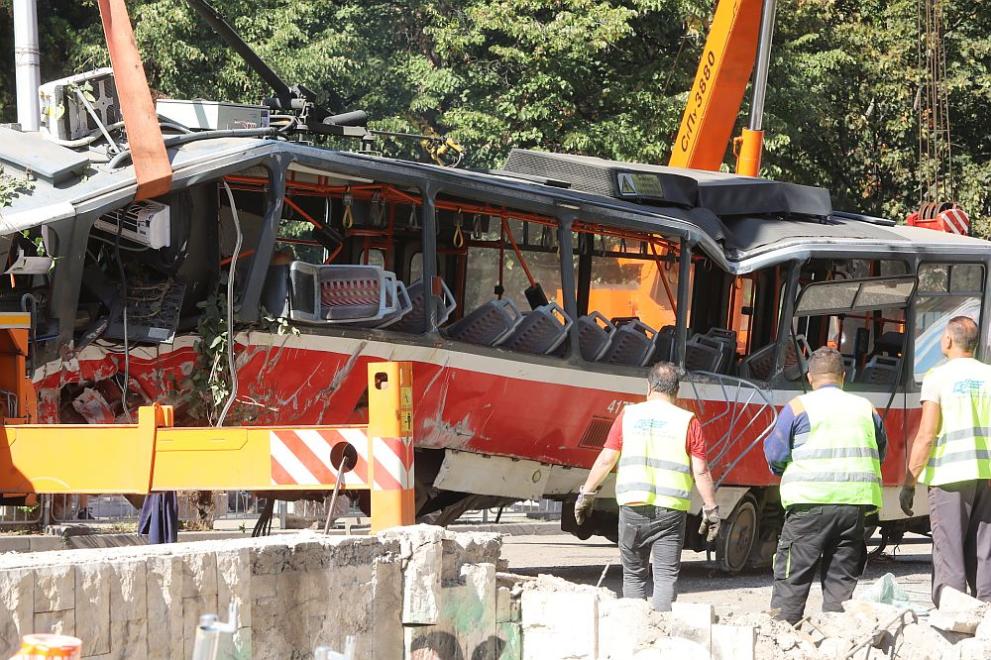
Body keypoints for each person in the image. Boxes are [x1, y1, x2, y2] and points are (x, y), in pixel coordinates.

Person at [574, 362, 720, 611]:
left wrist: (586, 494)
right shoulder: (687, 421)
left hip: (633, 507)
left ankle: (636, 627)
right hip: (670, 512)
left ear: (649, 386)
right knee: (665, 576)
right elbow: (701, 470)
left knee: (633, 575)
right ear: (677, 390)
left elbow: (607, 459)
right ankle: (661, 628)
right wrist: (711, 508)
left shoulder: (628, 416)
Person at [764, 347, 887, 624]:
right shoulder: (866, 409)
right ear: (844, 376)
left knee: (792, 578)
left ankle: (783, 633)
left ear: (810, 377)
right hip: (853, 509)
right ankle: (838, 635)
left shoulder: (798, 407)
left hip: (808, 507)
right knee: (841, 582)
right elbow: (880, 452)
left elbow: (775, 455)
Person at [900, 316, 991, 605]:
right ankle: (987, 609)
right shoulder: (989, 375)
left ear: (949, 340)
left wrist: (909, 482)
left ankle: (953, 611)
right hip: (985, 477)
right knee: (984, 548)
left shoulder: (937, 377)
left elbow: (926, 435)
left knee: (948, 548)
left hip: (949, 476)